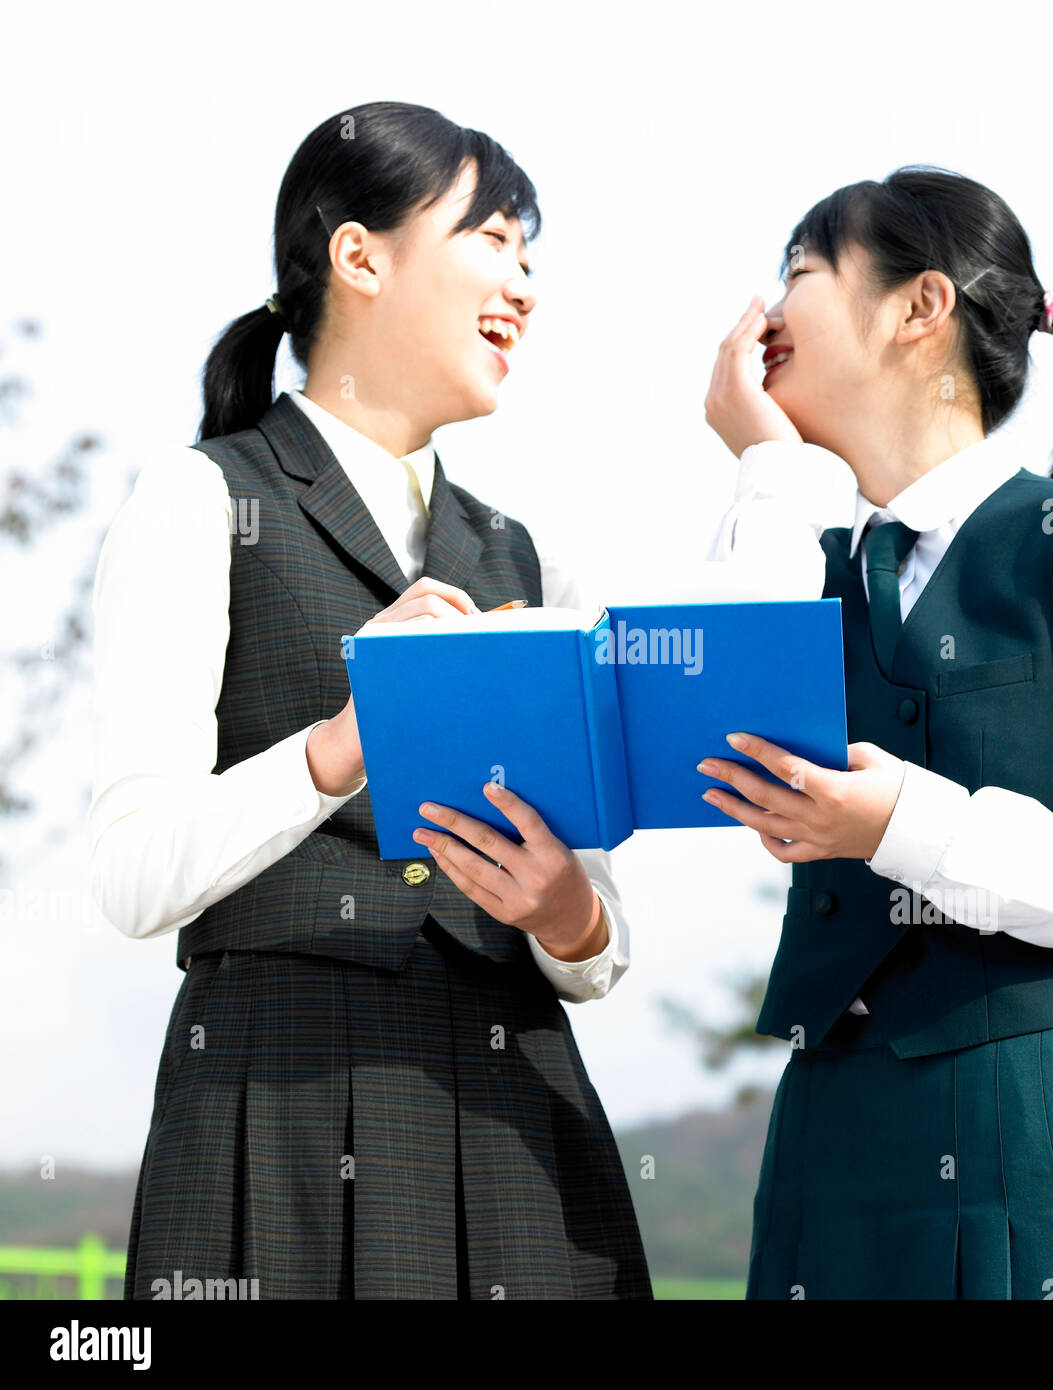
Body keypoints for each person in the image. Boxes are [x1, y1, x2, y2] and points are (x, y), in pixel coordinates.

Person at [88, 100, 651, 1300]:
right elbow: (133, 874)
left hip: (515, 1119)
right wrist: (340, 746)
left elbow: (597, 929)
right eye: (492, 238)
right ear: (360, 255)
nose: (524, 283)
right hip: (274, 1113)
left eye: (530, 253)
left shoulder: (525, 558)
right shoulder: (200, 501)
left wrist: (568, 916)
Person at [697, 165, 1053, 1300]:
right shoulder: (802, 548)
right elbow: (709, 728)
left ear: (918, 307)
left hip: (1037, 1130)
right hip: (824, 1132)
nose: (761, 318)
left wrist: (901, 823)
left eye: (797, 273)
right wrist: (766, 466)